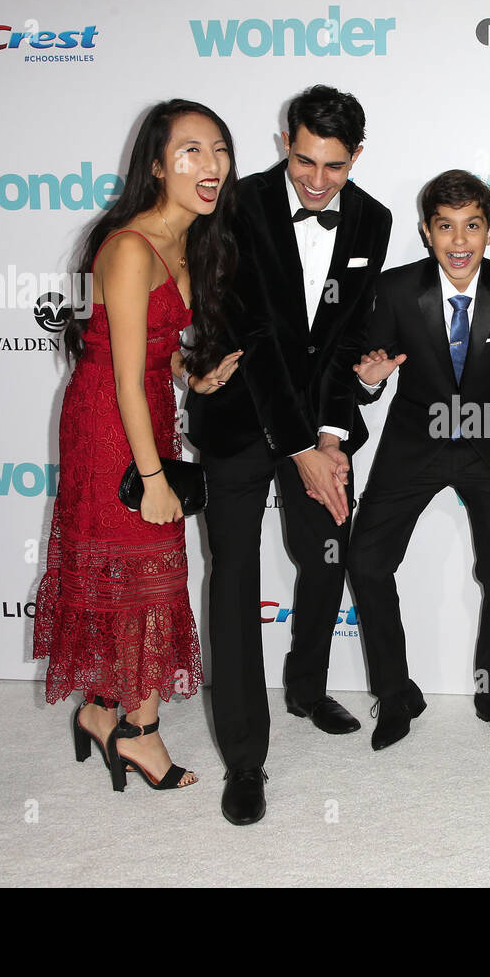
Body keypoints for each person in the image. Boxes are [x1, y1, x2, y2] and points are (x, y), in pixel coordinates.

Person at [184, 85, 393, 825]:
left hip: (314, 424)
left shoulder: (373, 218)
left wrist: (332, 436)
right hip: (242, 417)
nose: (316, 179)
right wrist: (302, 447)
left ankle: (306, 685)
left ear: (355, 158)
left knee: (328, 548)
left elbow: (344, 341)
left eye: (333, 167)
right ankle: (245, 757)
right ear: (283, 141)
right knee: (234, 574)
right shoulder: (235, 205)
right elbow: (260, 339)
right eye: (304, 159)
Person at [34, 99, 242, 793]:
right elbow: (122, 376)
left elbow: (154, 353)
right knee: (145, 570)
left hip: (144, 408)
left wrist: (191, 371)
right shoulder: (129, 247)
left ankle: (99, 713)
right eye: (190, 151)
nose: (209, 166)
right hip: (110, 423)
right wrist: (152, 476)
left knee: (134, 573)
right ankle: (140, 736)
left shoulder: (189, 239)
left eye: (218, 150)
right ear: (157, 166)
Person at [346, 170, 490, 751]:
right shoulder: (395, 290)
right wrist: (369, 384)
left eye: (472, 225)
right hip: (413, 444)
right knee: (368, 563)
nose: (458, 240)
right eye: (444, 226)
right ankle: (394, 693)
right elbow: (370, 373)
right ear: (426, 231)